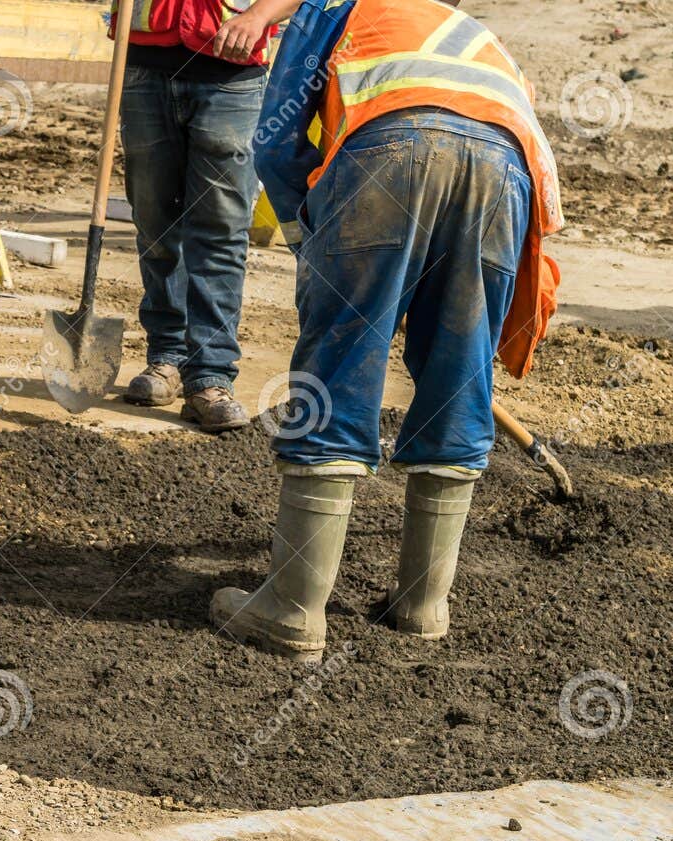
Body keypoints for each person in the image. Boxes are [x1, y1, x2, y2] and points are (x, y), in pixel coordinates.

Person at [210, 0, 564, 657]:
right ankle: (424, 606)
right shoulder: (471, 33)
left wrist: (312, 241)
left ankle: (293, 609)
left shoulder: (335, 6)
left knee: (340, 366)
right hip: (503, 174)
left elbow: (275, 143)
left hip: (391, 153)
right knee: (459, 373)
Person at [114, 0, 303, 432]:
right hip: (145, 66)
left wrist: (258, 16)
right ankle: (167, 358)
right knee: (155, 223)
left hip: (231, 76)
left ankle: (210, 377)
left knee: (220, 230)